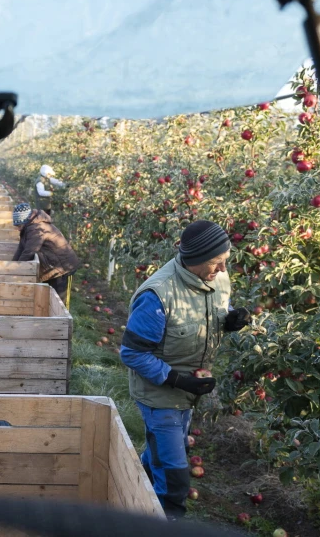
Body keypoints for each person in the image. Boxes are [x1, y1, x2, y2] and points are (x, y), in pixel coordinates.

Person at [118, 220, 250, 519]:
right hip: (159, 394)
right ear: (194, 261)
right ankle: (169, 519)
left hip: (187, 393)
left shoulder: (217, 279)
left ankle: (127, 491)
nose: (224, 270)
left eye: (226, 261)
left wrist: (230, 319)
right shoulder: (158, 296)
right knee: (176, 476)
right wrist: (177, 379)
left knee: (161, 457)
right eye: (217, 263)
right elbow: (132, 353)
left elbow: (213, 310)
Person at [11, 202, 80, 298]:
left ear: (25, 221)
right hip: (52, 265)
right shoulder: (28, 228)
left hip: (62, 268)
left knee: (58, 300)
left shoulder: (36, 228)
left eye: (19, 226)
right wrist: (11, 268)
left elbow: (29, 251)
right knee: (48, 298)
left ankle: (61, 312)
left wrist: (17, 270)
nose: (18, 229)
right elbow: (21, 249)